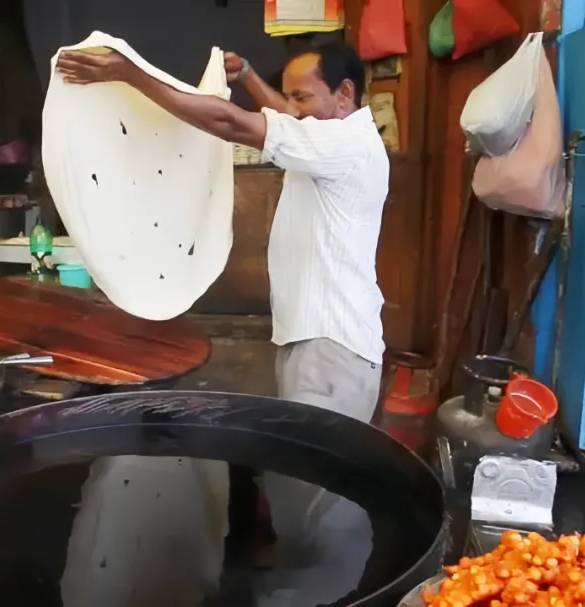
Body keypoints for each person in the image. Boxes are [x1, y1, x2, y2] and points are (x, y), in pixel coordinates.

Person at [56, 41, 387, 603]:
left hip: (332, 348)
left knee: (324, 516)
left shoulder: (345, 146)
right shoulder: (326, 134)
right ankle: (293, 590)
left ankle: (318, 598)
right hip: (315, 342)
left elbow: (233, 124)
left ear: (346, 94)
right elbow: (279, 114)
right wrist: (251, 75)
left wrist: (129, 73)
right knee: (297, 489)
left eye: (305, 95)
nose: (293, 107)